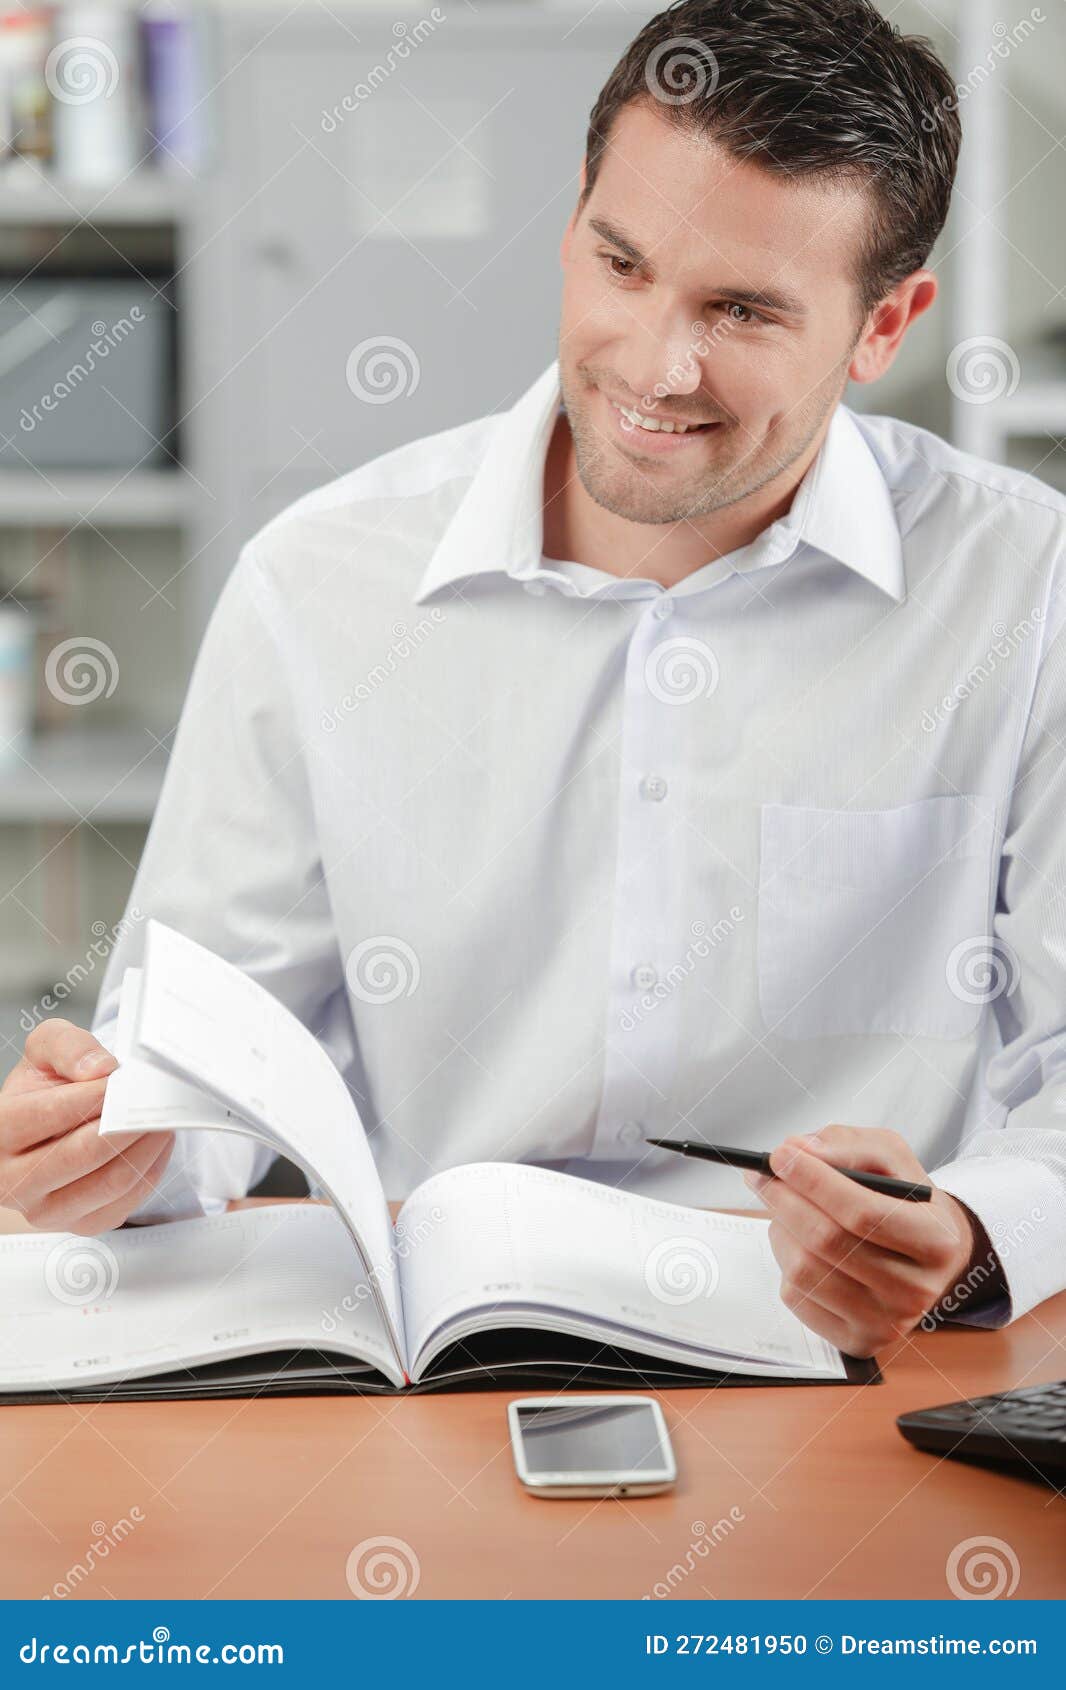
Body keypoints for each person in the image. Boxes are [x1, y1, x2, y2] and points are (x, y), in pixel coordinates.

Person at [3, 0, 1064, 1359]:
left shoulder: (1022, 588)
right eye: (621, 266)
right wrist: (113, 1149)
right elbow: (205, 1089)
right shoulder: (319, 582)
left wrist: (969, 1230)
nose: (654, 366)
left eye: (739, 309)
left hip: (852, 1359)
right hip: (435, 1364)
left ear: (884, 326)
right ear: (573, 215)